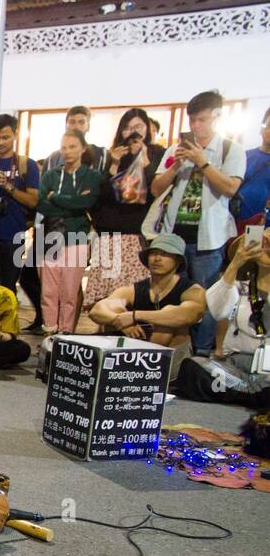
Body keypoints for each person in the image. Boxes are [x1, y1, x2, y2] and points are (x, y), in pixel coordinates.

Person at [149, 90, 245, 355]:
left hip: (208, 238)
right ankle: (171, 353)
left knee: (204, 297)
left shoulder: (230, 150)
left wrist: (202, 162)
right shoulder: (174, 150)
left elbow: (230, 188)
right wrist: (175, 166)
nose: (195, 126)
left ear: (216, 117)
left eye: (201, 120)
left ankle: (201, 353)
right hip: (173, 236)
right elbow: (156, 189)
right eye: (192, 120)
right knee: (171, 294)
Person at [89, 232, 205, 381]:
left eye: (164, 254)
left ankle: (143, 372)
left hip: (173, 358)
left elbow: (191, 314)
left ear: (177, 261)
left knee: (168, 317)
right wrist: (120, 321)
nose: (157, 258)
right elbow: (97, 310)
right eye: (154, 253)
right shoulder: (135, 289)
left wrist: (135, 316)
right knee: (117, 310)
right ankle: (137, 370)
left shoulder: (192, 289)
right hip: (136, 354)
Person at [173, 230, 270, 406]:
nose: (265, 249)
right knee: (192, 367)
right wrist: (235, 264)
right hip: (236, 365)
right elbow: (217, 310)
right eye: (263, 244)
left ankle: (244, 394)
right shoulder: (240, 287)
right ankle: (251, 394)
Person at [85, 108, 163, 309]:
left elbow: (156, 192)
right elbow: (99, 197)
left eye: (138, 127)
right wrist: (113, 165)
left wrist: (145, 163)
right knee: (105, 299)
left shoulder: (157, 155)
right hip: (108, 236)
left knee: (134, 296)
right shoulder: (111, 155)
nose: (133, 132)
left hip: (135, 237)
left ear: (147, 129)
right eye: (127, 128)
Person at [0, 113, 42, 330]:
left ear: (15, 135)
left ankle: (6, 329)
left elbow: (33, 201)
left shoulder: (26, 165)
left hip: (13, 234)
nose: (1, 142)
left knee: (8, 285)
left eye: (5, 137)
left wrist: (8, 187)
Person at [36, 130, 102, 335]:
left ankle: (66, 334)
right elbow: (42, 205)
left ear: (83, 148)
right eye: (64, 147)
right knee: (48, 291)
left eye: (72, 146)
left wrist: (55, 197)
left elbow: (87, 202)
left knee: (70, 291)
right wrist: (72, 202)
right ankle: (49, 333)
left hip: (77, 237)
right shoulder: (50, 175)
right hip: (50, 235)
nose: (67, 151)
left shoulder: (92, 176)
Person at [234, 107, 270, 229]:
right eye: (268, 125)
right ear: (261, 129)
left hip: (263, 225)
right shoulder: (244, 155)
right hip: (235, 220)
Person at [45, 105, 105, 171]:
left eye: (81, 122)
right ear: (66, 126)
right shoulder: (53, 159)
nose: (76, 127)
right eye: (72, 122)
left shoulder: (102, 155)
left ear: (88, 126)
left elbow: (108, 180)